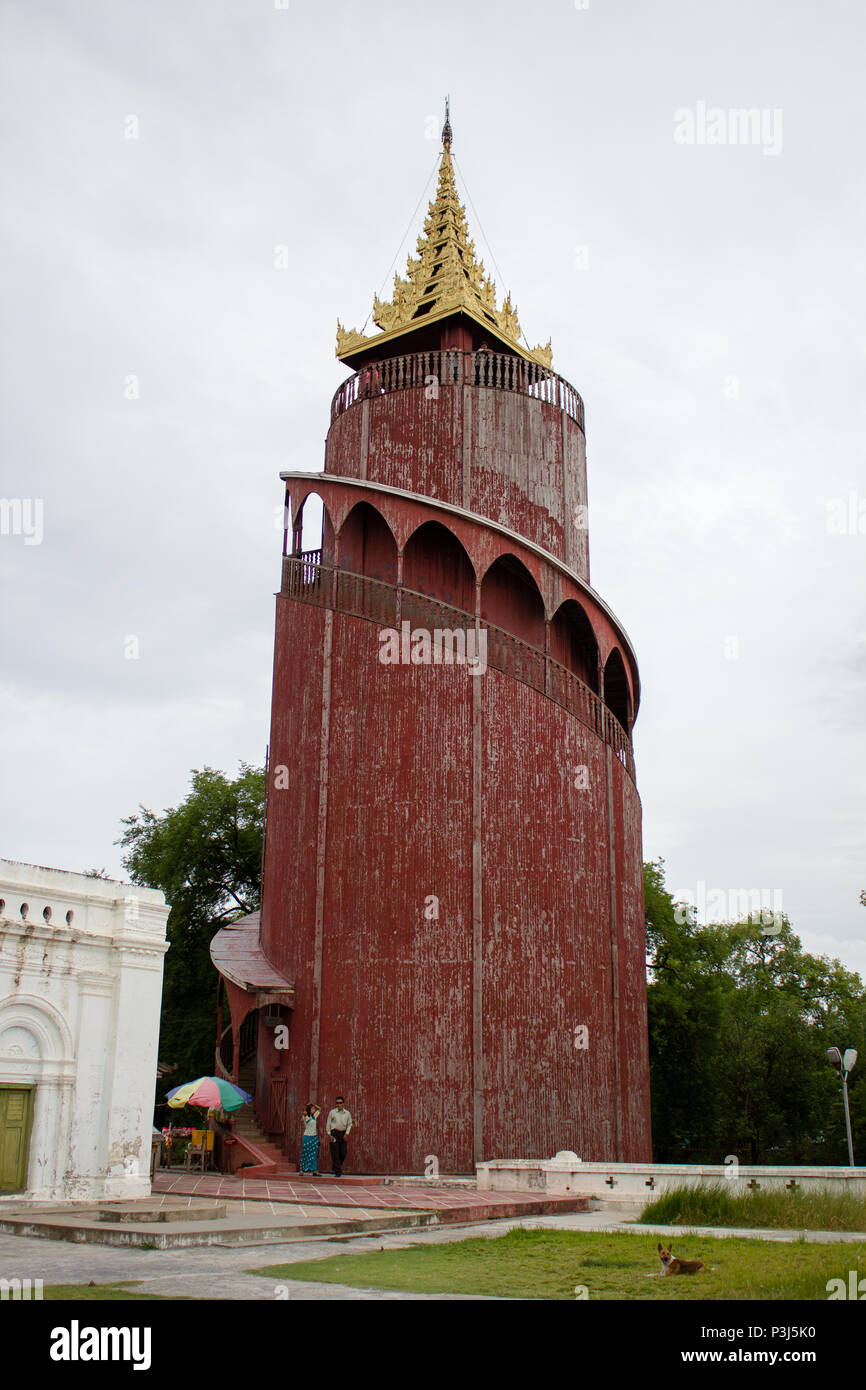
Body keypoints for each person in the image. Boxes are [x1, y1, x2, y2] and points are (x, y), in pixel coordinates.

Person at [325, 1096, 352, 1177]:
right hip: (334, 1133)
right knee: (335, 1152)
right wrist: (329, 1134)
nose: (339, 1104)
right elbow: (328, 1124)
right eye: (337, 1103)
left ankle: (335, 1166)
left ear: (343, 1104)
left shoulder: (347, 1113)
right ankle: (338, 1171)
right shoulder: (332, 1112)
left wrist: (347, 1133)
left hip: (343, 1133)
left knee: (343, 1153)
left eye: (340, 1103)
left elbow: (349, 1124)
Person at [301, 1103, 321, 1175]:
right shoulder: (306, 1117)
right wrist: (305, 1112)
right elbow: (304, 1114)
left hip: (314, 1137)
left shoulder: (314, 1117)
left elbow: (319, 1109)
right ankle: (302, 1169)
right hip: (307, 1136)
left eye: (314, 1109)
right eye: (312, 1109)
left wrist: (313, 1104)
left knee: (314, 1154)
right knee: (305, 1153)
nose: (314, 1110)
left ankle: (314, 1170)